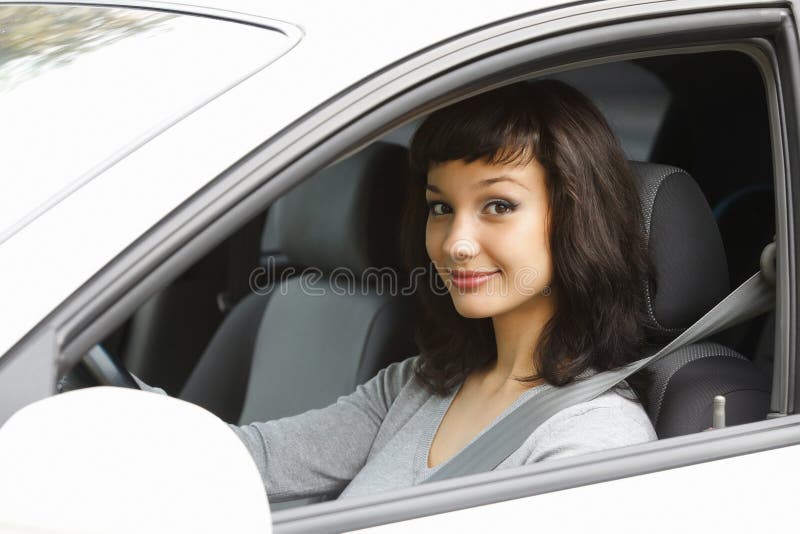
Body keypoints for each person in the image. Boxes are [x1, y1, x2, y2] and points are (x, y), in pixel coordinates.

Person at [138, 79, 658, 502]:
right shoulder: (420, 383)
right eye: (441, 207)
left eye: (498, 205)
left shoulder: (594, 440)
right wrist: (111, 425)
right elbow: (260, 459)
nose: (456, 243)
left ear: (575, 219)